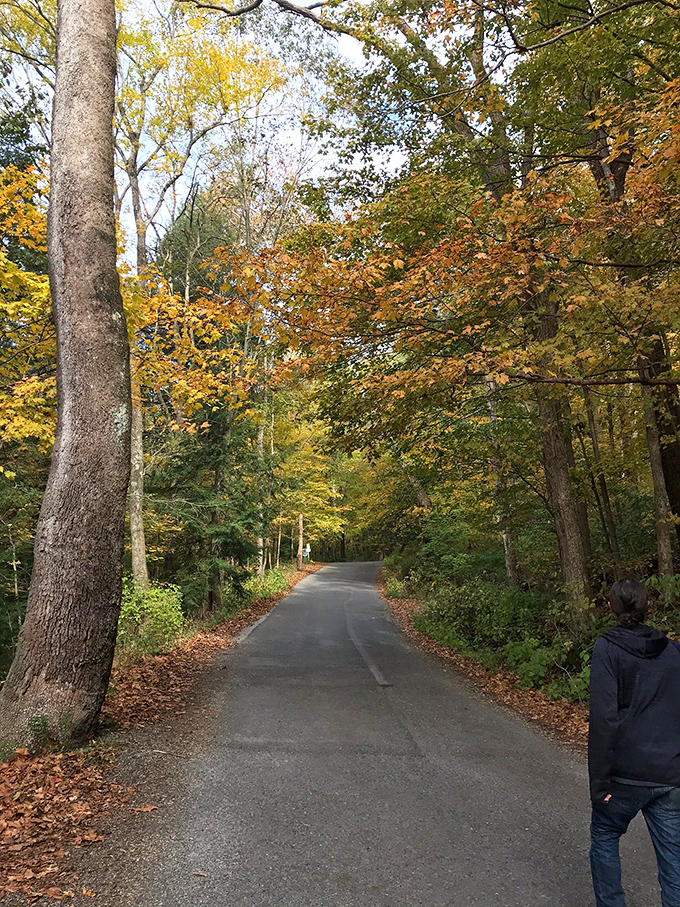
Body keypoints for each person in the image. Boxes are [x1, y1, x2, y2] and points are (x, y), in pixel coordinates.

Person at [589, 577, 680, 907]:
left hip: (626, 773)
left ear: (612, 607)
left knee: (604, 833)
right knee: (674, 863)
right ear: (647, 607)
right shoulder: (673, 652)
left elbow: (603, 719)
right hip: (669, 775)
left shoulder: (607, 649)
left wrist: (599, 784)